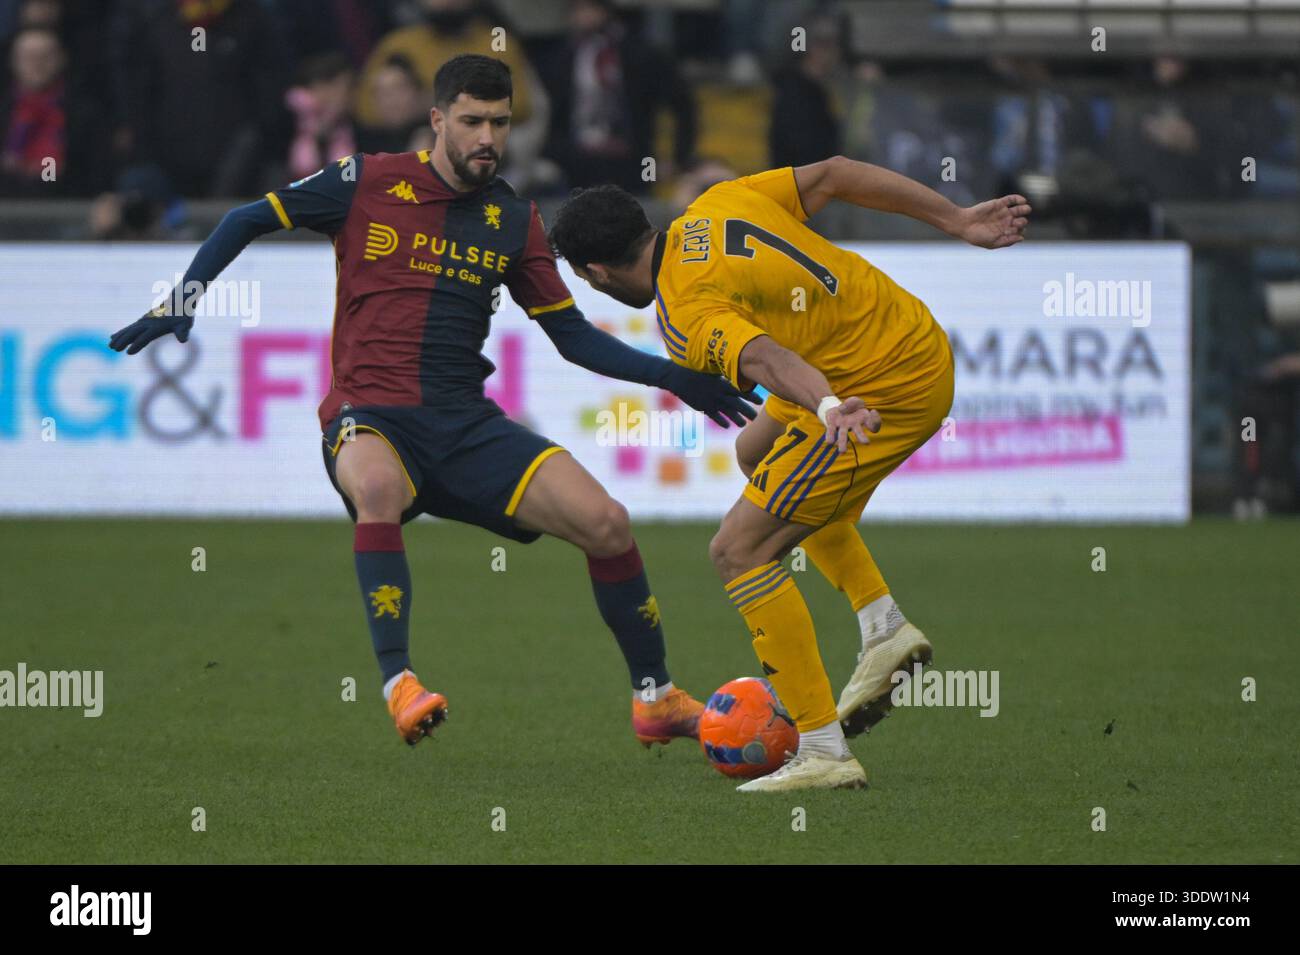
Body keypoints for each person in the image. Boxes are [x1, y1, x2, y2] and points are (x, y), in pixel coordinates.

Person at [109, 55, 759, 750]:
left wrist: (675, 376)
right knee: (380, 485)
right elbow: (245, 218)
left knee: (607, 522)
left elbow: (571, 338)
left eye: (501, 123)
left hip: (465, 425)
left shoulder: (513, 218)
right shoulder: (366, 180)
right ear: (438, 119)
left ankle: (654, 697)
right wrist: (186, 297)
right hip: (369, 415)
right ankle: (399, 682)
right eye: (473, 121)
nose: (488, 137)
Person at [548, 158, 1029, 791]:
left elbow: (766, 358)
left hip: (879, 392)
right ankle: (882, 624)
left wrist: (828, 406)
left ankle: (825, 749)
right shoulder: (720, 201)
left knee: (738, 549)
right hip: (901, 333)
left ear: (596, 274)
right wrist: (956, 218)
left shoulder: (682, 312)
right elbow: (834, 174)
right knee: (754, 450)